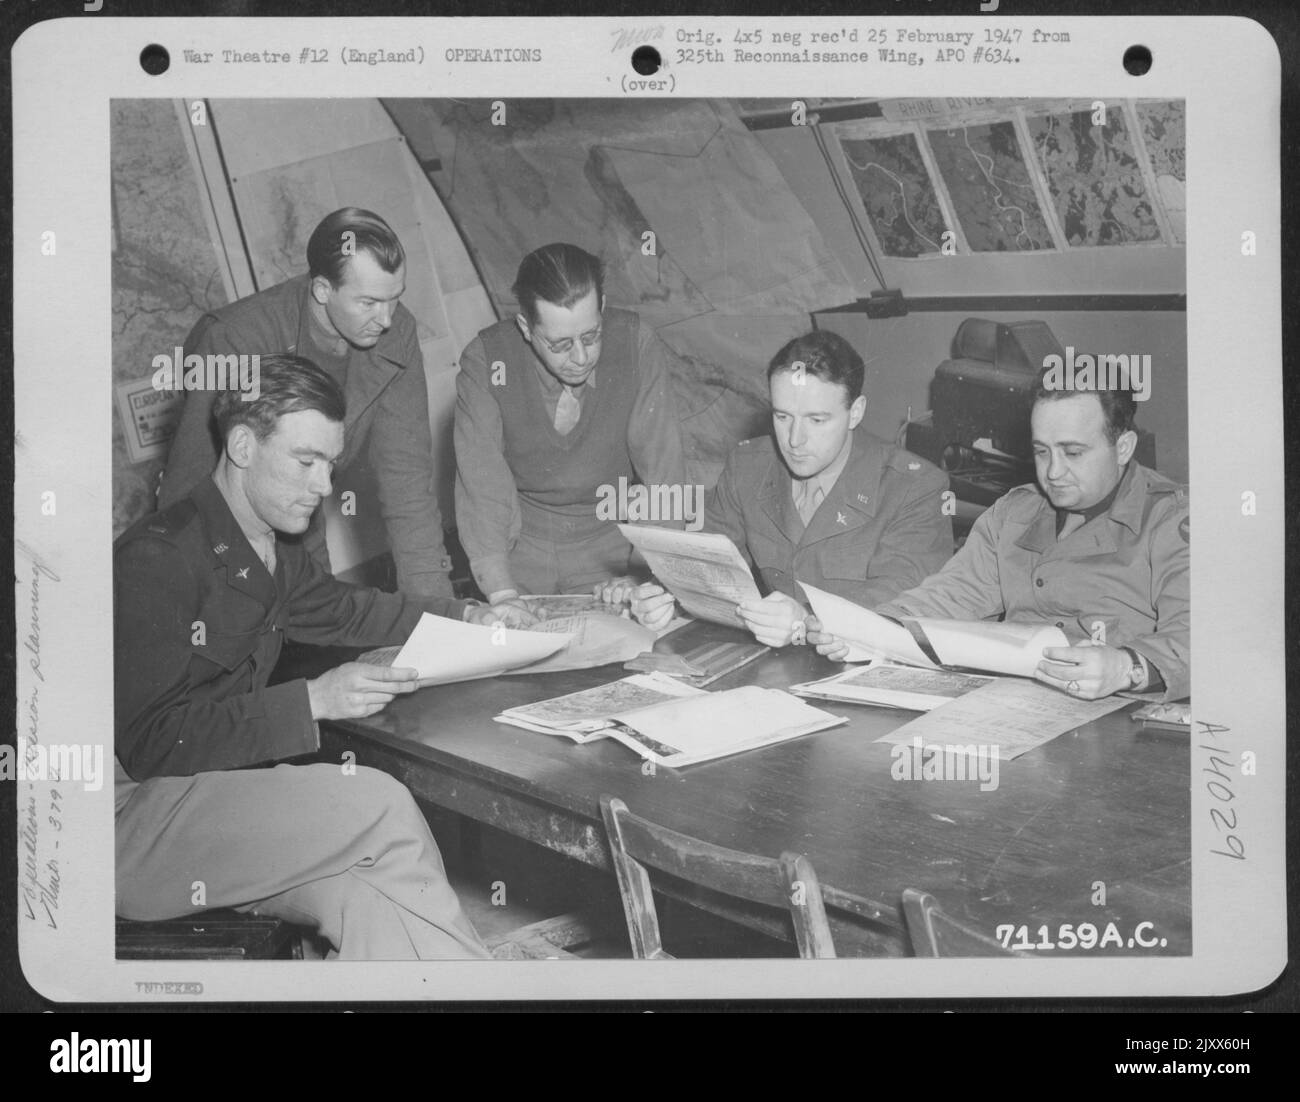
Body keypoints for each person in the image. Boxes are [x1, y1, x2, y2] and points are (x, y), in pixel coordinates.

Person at [115, 355, 532, 960]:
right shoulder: (158, 557)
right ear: (241, 446)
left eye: (330, 464)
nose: (325, 486)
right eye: (305, 461)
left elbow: (351, 610)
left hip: (213, 807)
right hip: (138, 828)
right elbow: (150, 742)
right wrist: (312, 699)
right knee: (378, 802)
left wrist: (467, 614)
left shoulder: (268, 549)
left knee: (370, 890)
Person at [811, 378, 1190, 701]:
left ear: (1123, 447)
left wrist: (1128, 667)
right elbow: (949, 595)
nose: (1053, 472)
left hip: (1120, 719)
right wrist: (866, 630)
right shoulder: (1016, 513)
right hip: (1015, 707)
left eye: (1073, 452)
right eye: (1042, 452)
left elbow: (1200, 634)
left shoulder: (1170, 519)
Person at [157, 207, 456, 598]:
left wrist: (440, 614)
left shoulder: (396, 334)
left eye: (394, 298)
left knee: (318, 622)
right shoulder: (236, 341)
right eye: (368, 302)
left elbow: (407, 481)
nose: (385, 319)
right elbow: (190, 491)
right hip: (224, 532)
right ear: (322, 290)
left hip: (304, 519)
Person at [617, 330, 953, 648]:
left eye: (816, 420)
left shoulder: (914, 487)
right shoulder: (748, 466)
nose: (795, 440)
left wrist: (806, 617)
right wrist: (665, 597)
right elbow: (707, 561)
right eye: (782, 417)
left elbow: (903, 599)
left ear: (856, 412)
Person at [453, 243, 688, 618]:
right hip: (518, 554)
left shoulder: (636, 343)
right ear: (526, 328)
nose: (581, 358)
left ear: (603, 307)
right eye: (560, 344)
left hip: (613, 552)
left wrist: (641, 577)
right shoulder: (487, 360)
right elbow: (482, 489)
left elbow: (664, 475)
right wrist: (501, 594)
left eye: (592, 336)